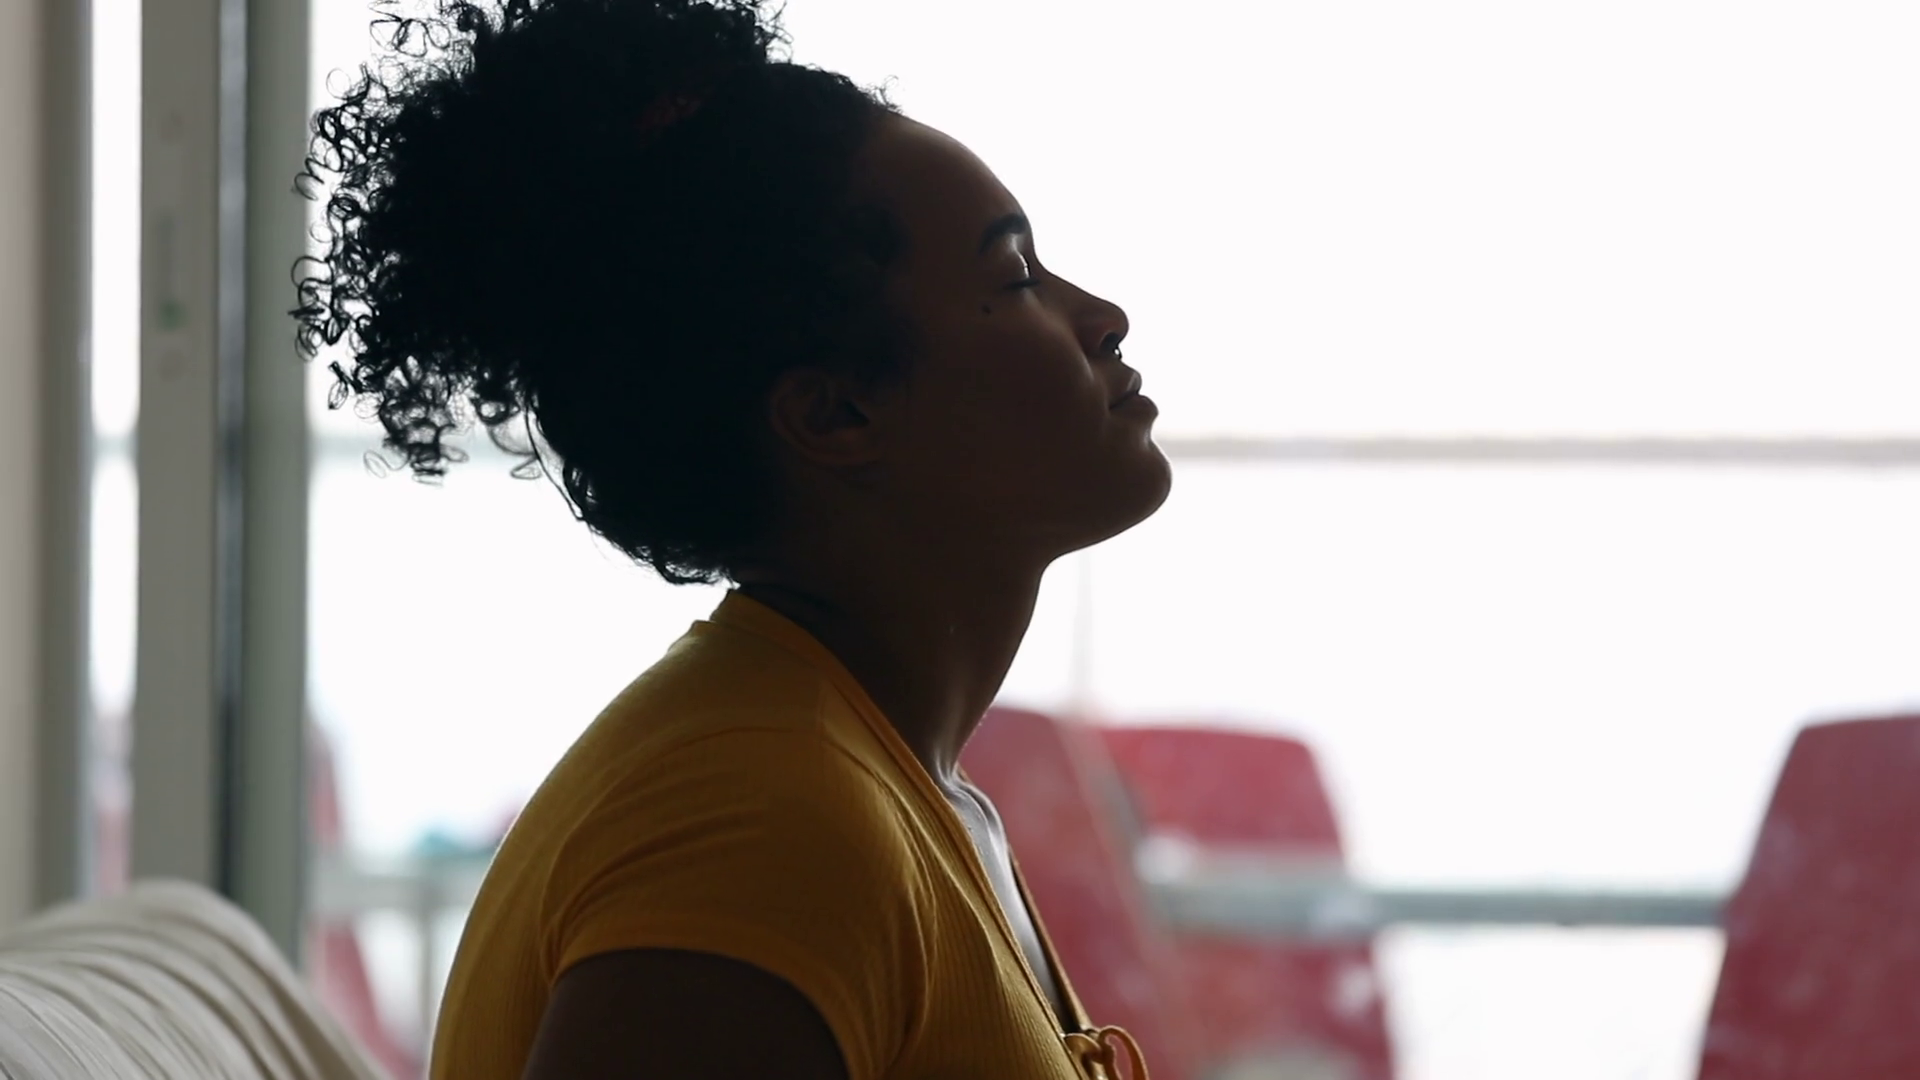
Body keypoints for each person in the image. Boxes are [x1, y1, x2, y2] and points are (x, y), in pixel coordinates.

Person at [295, 0, 1171, 1076]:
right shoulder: (765, 820)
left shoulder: (875, 783)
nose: (1104, 316)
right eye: (1016, 277)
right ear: (836, 415)